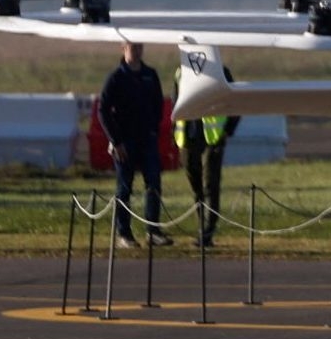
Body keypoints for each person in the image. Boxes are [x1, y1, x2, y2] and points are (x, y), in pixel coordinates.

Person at [97, 41, 170, 248]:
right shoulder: (116, 77)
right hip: (124, 142)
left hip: (147, 139)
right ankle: (124, 234)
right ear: (123, 48)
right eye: (132, 46)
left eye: (139, 46)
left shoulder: (150, 74)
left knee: (153, 184)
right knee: (124, 188)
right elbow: (102, 110)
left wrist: (153, 129)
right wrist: (116, 140)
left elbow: (158, 104)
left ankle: (153, 231)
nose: (136, 50)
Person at [172, 63, 240, 250]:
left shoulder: (222, 71)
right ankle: (202, 225)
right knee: (196, 186)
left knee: (210, 184)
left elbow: (234, 102)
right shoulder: (181, 72)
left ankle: (207, 231)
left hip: (213, 138)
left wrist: (227, 131)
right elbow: (175, 102)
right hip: (188, 136)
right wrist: (174, 134)